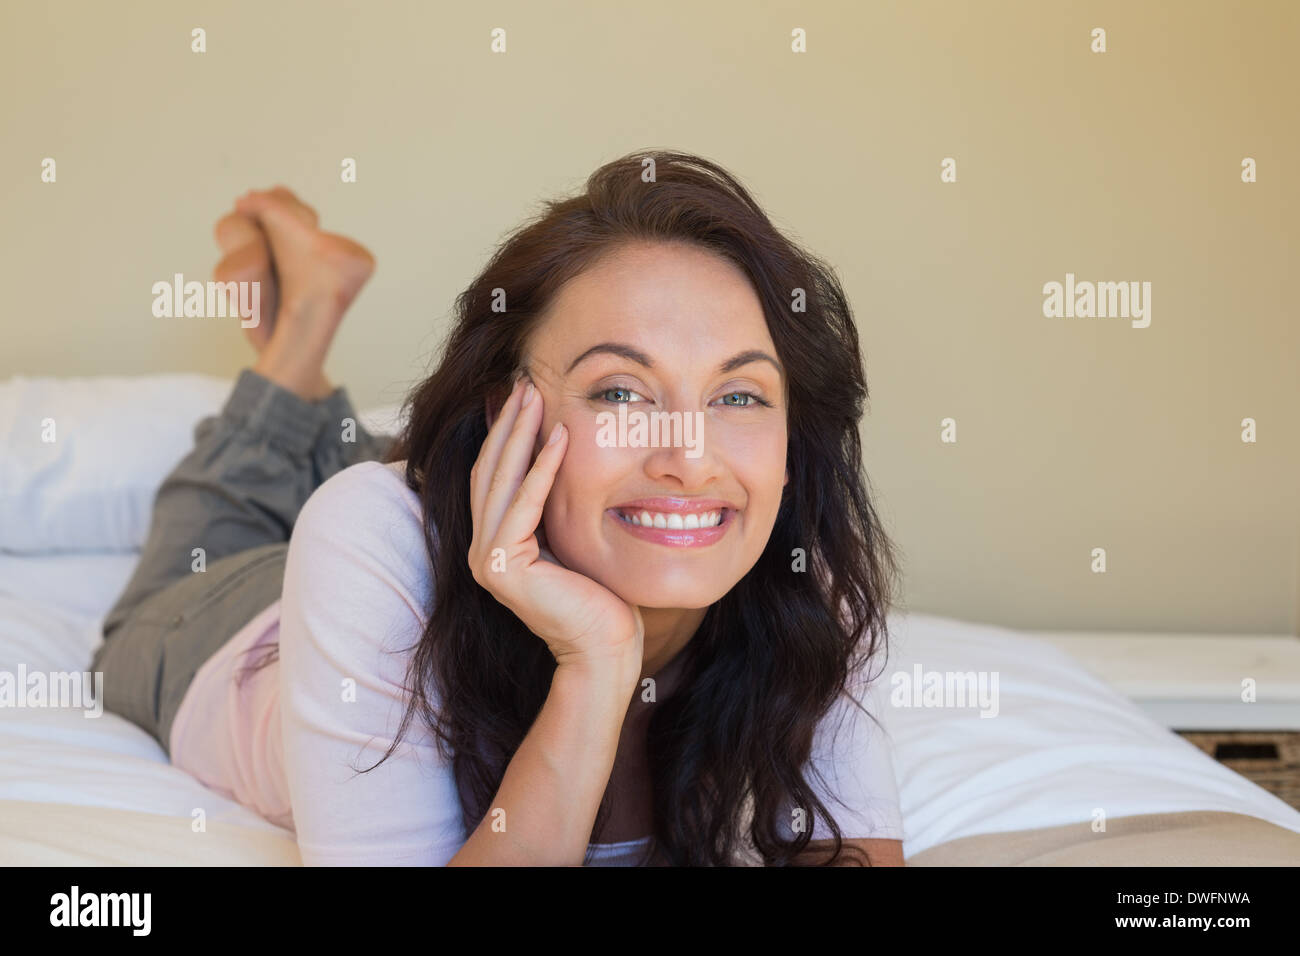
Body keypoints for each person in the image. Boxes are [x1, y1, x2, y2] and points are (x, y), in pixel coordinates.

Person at [92, 150, 906, 866]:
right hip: (229, 626)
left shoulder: (800, 578)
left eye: (737, 395)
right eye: (620, 391)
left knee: (384, 480)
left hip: (443, 523)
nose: (689, 461)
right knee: (218, 529)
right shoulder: (366, 537)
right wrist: (596, 666)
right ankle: (299, 334)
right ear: (506, 411)